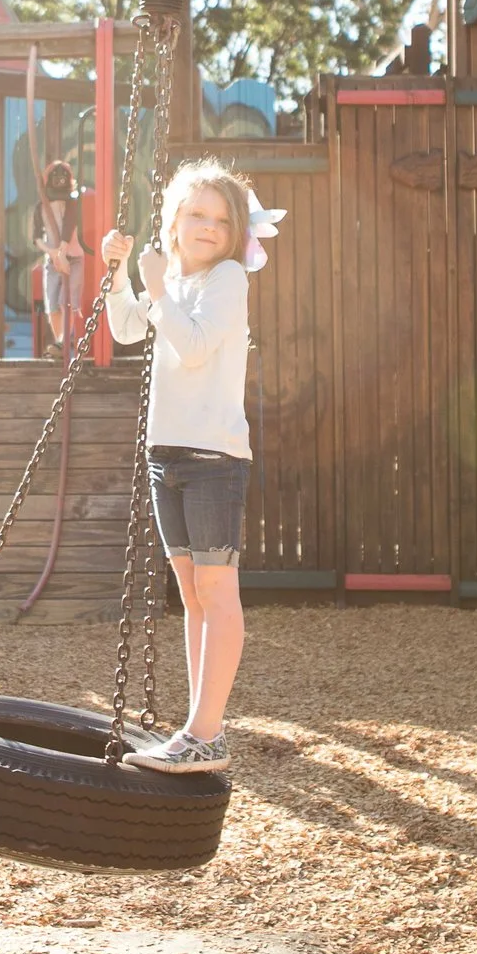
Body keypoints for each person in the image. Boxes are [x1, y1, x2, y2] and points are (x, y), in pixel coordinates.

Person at [101, 160, 282, 774]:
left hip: (213, 458)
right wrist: (121, 272)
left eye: (221, 219)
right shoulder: (172, 280)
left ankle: (208, 734)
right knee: (191, 596)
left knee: (216, 589)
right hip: (166, 454)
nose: (208, 227)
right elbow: (126, 328)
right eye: (196, 215)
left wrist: (157, 289)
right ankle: (196, 729)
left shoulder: (228, 279)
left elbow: (198, 345)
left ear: (235, 235)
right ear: (173, 222)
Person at [33, 160, 84, 359]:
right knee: (53, 305)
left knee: (67, 302)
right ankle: (60, 344)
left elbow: (69, 227)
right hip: (53, 260)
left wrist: (61, 253)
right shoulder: (41, 207)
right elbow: (36, 237)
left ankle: (62, 341)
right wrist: (53, 253)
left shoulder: (72, 203)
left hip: (74, 258)